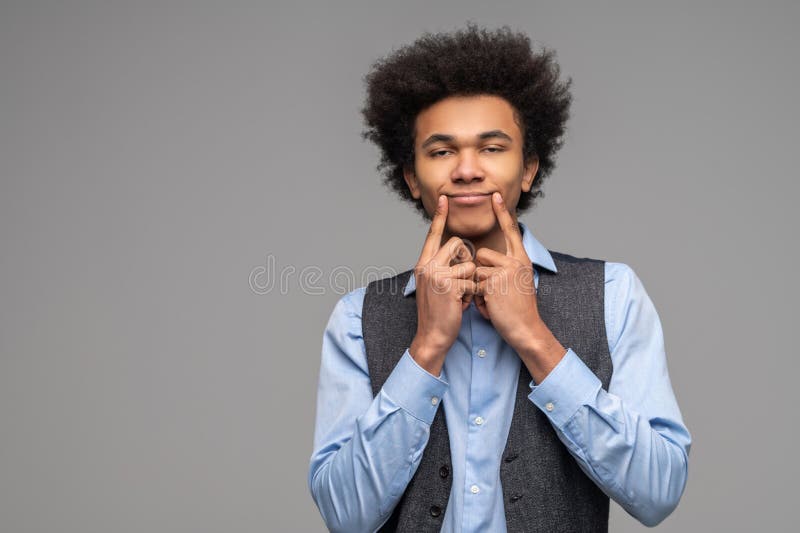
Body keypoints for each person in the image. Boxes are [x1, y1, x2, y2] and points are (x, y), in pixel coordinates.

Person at [308, 24, 691, 533]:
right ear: (411, 177)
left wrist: (534, 338)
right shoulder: (358, 317)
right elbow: (344, 516)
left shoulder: (613, 294)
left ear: (528, 169)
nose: (467, 170)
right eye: (441, 151)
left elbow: (658, 492)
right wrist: (426, 347)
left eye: (492, 148)